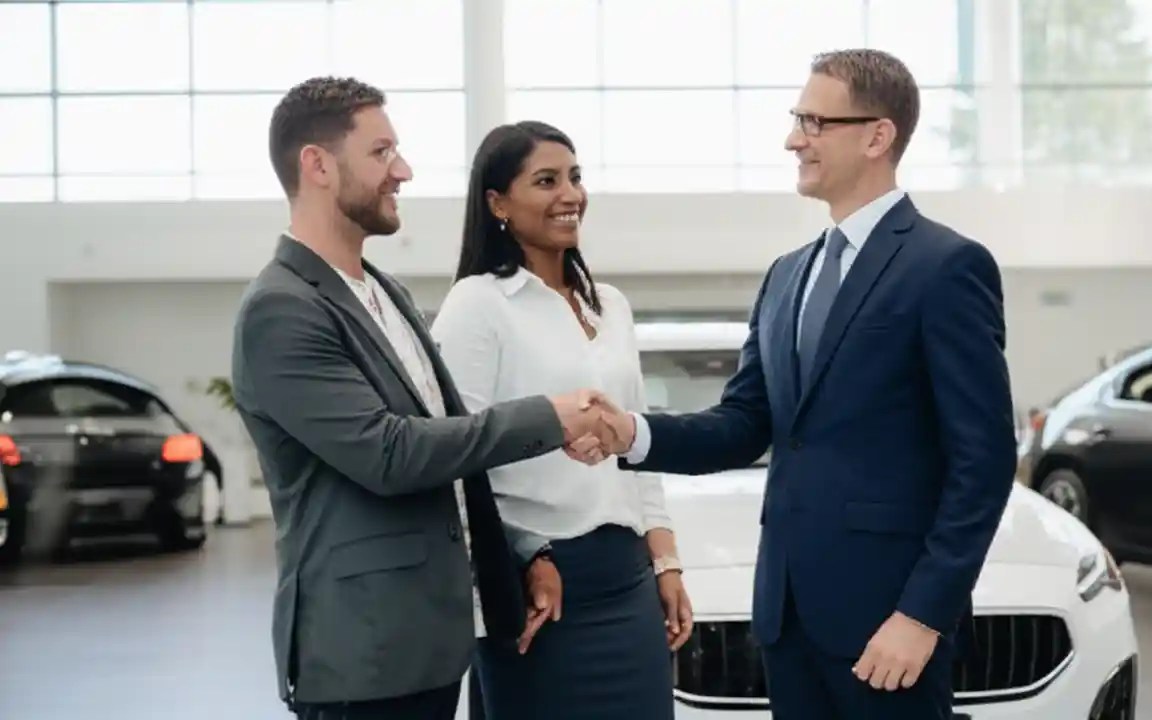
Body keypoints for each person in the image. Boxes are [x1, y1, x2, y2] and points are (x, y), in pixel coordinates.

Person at [598, 49, 1018, 719]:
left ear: (878, 136)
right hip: (788, 616)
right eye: (799, 120)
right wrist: (632, 434)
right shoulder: (787, 275)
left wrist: (923, 614)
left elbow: (985, 460)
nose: (794, 139)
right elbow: (745, 426)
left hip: (890, 621)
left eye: (814, 122)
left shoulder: (946, 266)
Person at [230, 77, 610, 720]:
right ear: (317, 165)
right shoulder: (282, 310)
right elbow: (390, 455)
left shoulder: (385, 294)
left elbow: (445, 465)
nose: (402, 170)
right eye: (381, 153)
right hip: (363, 659)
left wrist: (520, 548)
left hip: (425, 646)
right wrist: (549, 416)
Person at [430, 120, 693, 720]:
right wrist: (522, 558)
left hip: (626, 579)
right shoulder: (478, 304)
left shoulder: (612, 306)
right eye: (545, 181)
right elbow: (456, 459)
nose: (569, 194)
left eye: (575, 177)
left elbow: (637, 448)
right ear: (498, 203)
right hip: (539, 587)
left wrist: (665, 559)